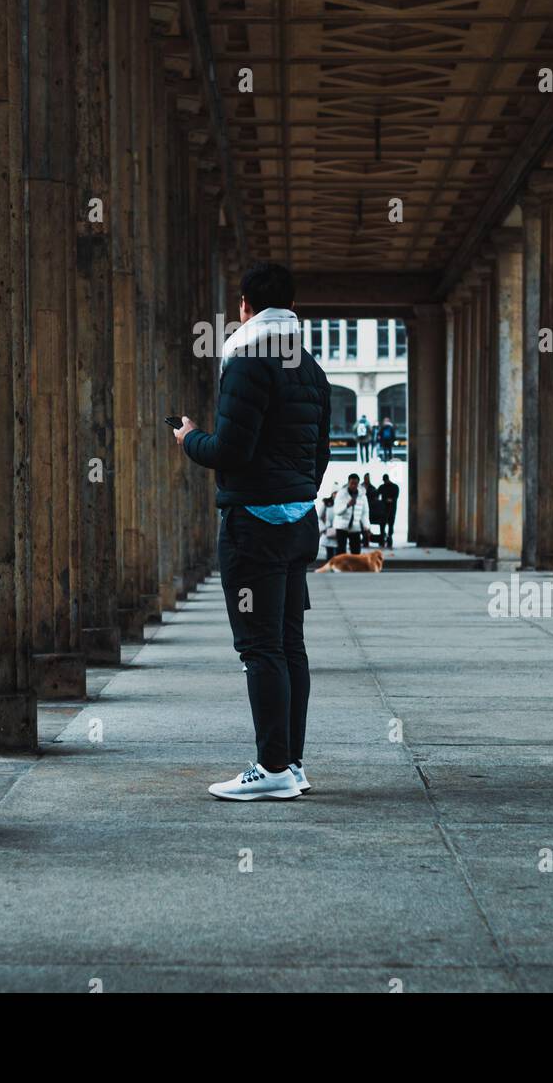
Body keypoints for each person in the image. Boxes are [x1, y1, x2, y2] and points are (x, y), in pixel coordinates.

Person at [174, 261, 330, 802]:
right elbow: (321, 454)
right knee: (289, 645)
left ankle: (271, 768)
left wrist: (190, 437)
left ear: (245, 306)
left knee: (259, 648)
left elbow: (230, 453)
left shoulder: (245, 360)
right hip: (298, 522)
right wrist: (295, 491)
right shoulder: (309, 367)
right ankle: (292, 762)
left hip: (253, 525)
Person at [330, 472, 369, 555]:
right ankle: (341, 567)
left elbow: (365, 512)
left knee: (356, 551)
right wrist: (347, 505)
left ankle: (354, 567)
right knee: (341, 551)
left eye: (356, 483)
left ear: (358, 483)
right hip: (341, 526)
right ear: (348, 483)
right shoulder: (341, 494)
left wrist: (366, 526)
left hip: (355, 526)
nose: (354, 485)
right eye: (352, 483)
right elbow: (336, 511)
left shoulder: (362, 495)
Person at [363, 471, 385, 541]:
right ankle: (366, 536)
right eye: (366, 478)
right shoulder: (361, 487)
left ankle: (378, 537)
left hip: (372, 509)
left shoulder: (372, 488)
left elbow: (376, 497)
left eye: (367, 478)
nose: (366, 480)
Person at [379, 473, 400, 546]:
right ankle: (384, 538)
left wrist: (389, 500)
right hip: (386, 509)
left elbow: (395, 497)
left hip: (390, 508)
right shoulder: (384, 486)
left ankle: (388, 538)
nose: (385, 482)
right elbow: (377, 494)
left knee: (390, 524)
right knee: (384, 524)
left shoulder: (394, 487)